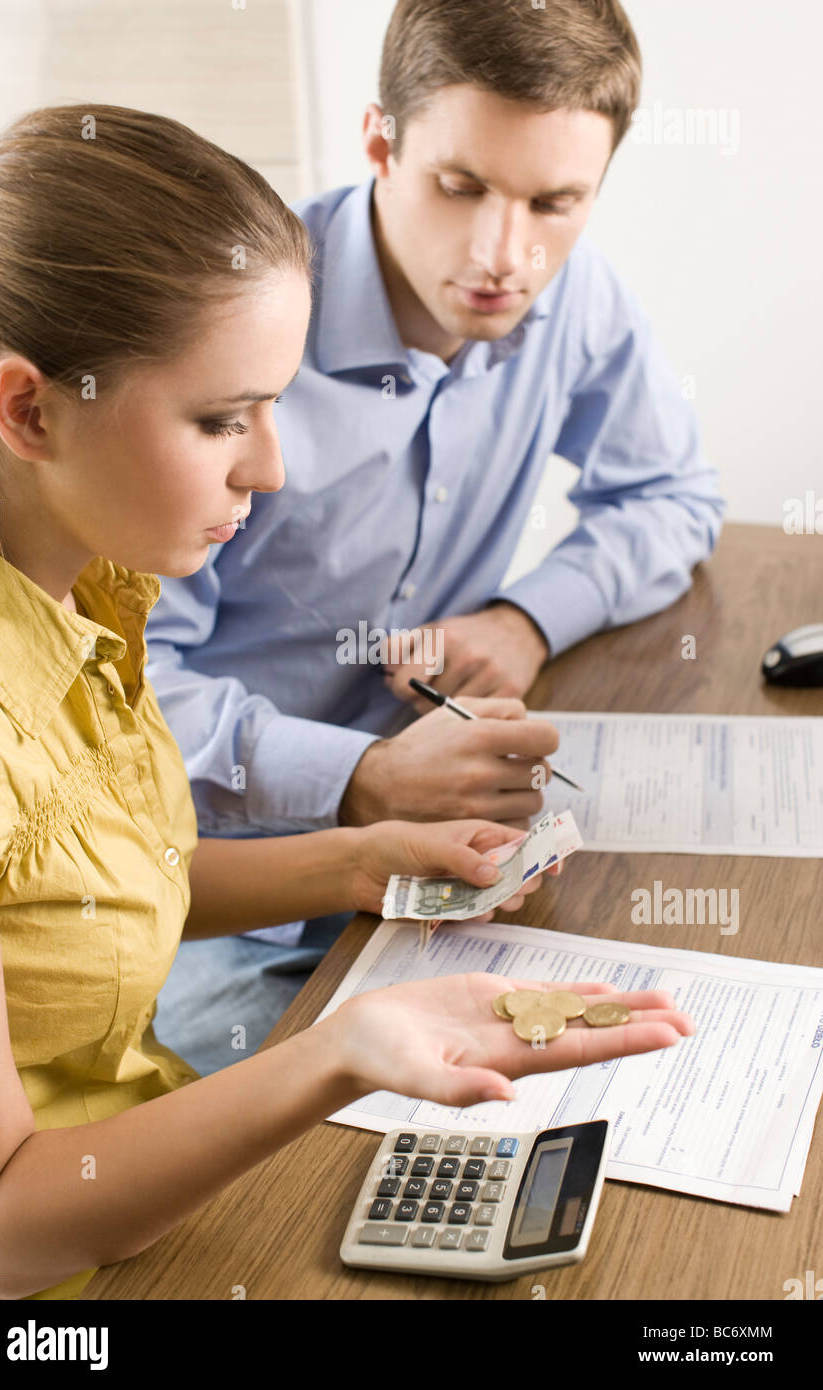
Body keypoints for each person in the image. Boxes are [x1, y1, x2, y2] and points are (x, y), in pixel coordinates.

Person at [0, 104, 694, 1302]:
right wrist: (337, 1051)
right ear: (32, 410)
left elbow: (91, 886)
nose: (272, 467)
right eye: (219, 420)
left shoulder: (92, 588)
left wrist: (357, 861)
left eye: (273, 407)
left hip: (144, 1193)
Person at [146, 0, 725, 1071]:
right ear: (380, 140)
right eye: (460, 187)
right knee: (249, 1200)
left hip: (460, 856)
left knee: (625, 1077)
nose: (505, 255)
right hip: (224, 895)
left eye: (555, 202)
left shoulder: (572, 295)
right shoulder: (232, 318)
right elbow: (121, 681)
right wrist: (359, 775)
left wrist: (525, 618)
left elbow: (670, 495)